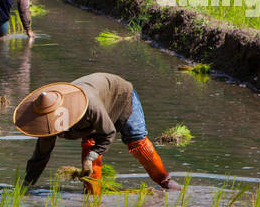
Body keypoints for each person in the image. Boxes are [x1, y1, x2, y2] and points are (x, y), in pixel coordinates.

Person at [12, 72, 179, 194]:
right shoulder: (49, 124)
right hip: (96, 109)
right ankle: (93, 195)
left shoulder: (89, 106)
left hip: (120, 96)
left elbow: (108, 132)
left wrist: (91, 157)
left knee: (136, 141)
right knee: (89, 145)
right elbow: (42, 154)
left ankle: (167, 182)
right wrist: (26, 184)